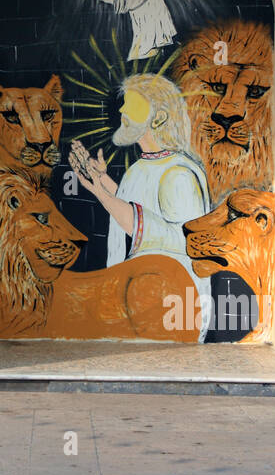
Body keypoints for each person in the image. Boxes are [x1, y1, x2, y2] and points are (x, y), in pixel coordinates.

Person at [69, 74, 211, 338]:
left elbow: (181, 241)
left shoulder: (179, 174)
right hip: (136, 299)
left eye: (132, 105)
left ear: (158, 118)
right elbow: (138, 207)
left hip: (169, 305)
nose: (122, 110)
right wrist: (102, 181)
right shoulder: (139, 169)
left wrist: (104, 195)